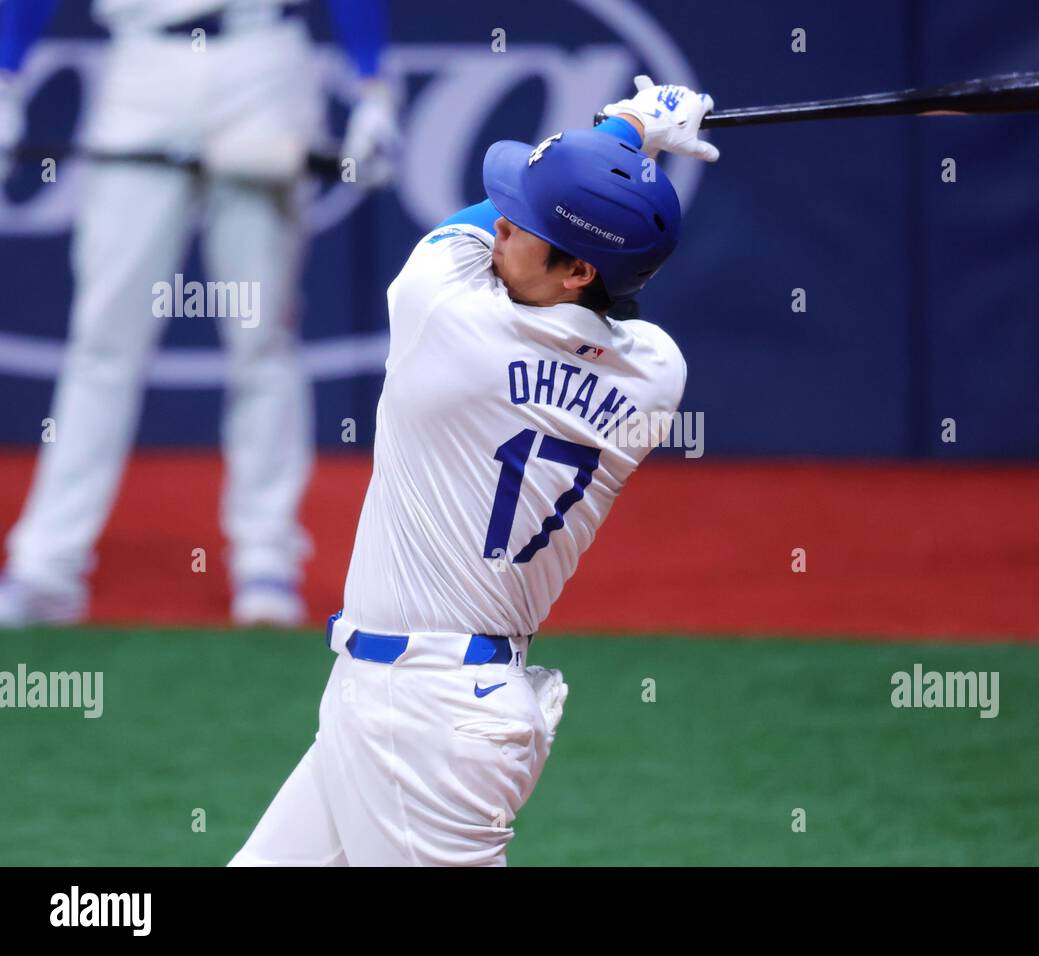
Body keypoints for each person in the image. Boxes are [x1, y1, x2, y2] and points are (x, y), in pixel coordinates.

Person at [229, 76, 719, 865]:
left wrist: (625, 130)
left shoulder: (445, 315)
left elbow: (463, 229)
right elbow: (587, 275)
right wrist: (609, 168)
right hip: (426, 703)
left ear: (577, 273)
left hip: (427, 719)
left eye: (521, 224)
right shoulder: (657, 373)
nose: (501, 227)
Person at [0, 0, 397, 627]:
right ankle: (47, 565)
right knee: (102, 337)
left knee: (263, 336)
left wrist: (374, 85)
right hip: (143, 62)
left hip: (262, 57)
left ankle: (266, 557)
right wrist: (6, 76)